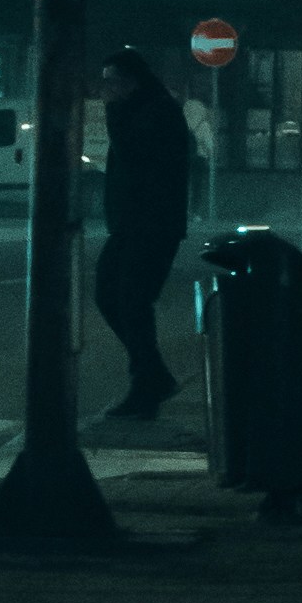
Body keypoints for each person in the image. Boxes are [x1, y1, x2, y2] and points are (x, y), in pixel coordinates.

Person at [95, 46, 199, 418]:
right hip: (132, 223)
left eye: (112, 81)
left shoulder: (155, 111)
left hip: (152, 224)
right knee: (110, 293)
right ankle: (152, 375)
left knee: (131, 300)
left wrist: (113, 113)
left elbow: (134, 156)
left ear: (131, 81)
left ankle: (146, 384)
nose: (105, 88)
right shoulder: (142, 108)